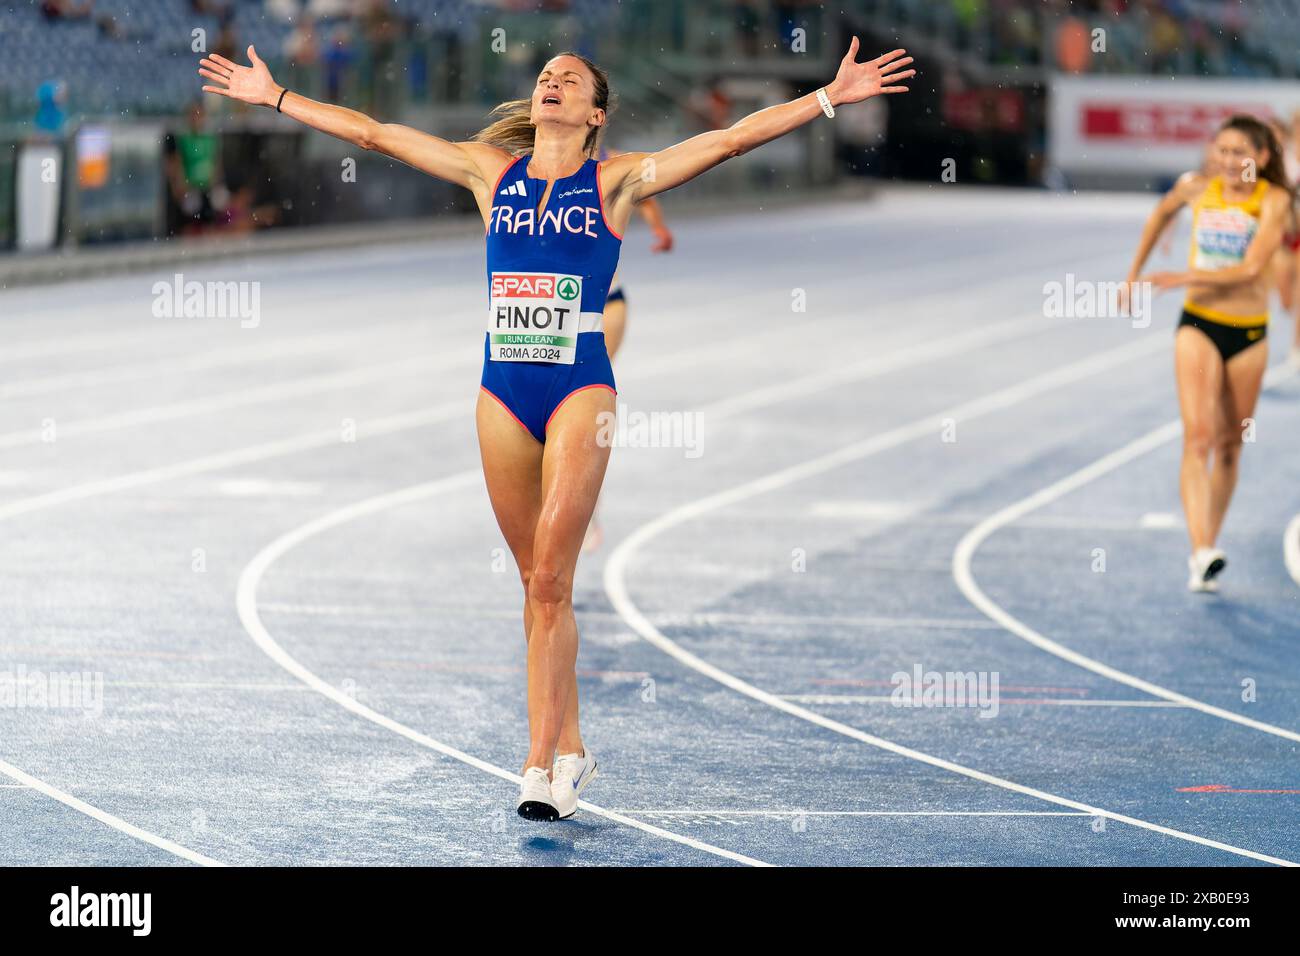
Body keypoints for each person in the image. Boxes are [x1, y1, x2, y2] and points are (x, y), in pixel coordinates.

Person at [198, 39, 913, 820]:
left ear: (594, 113)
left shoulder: (617, 179)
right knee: (535, 585)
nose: (551, 81)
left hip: (578, 386)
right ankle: (572, 746)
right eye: (546, 75)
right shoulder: (486, 171)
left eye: (569, 80)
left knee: (552, 581)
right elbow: (372, 133)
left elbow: (730, 138)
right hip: (501, 391)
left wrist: (828, 99)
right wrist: (274, 98)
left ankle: (539, 767)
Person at [1126, 115, 1290, 592]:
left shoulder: (1274, 201)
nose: (1229, 161)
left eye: (1240, 152)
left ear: (1261, 157)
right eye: (1222, 151)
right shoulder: (1197, 188)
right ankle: (1201, 551)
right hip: (1198, 326)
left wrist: (1180, 277)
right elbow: (1161, 212)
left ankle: (1209, 540)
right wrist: (1133, 271)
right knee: (1197, 439)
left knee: (1230, 446)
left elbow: (1251, 268)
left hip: (1248, 333)